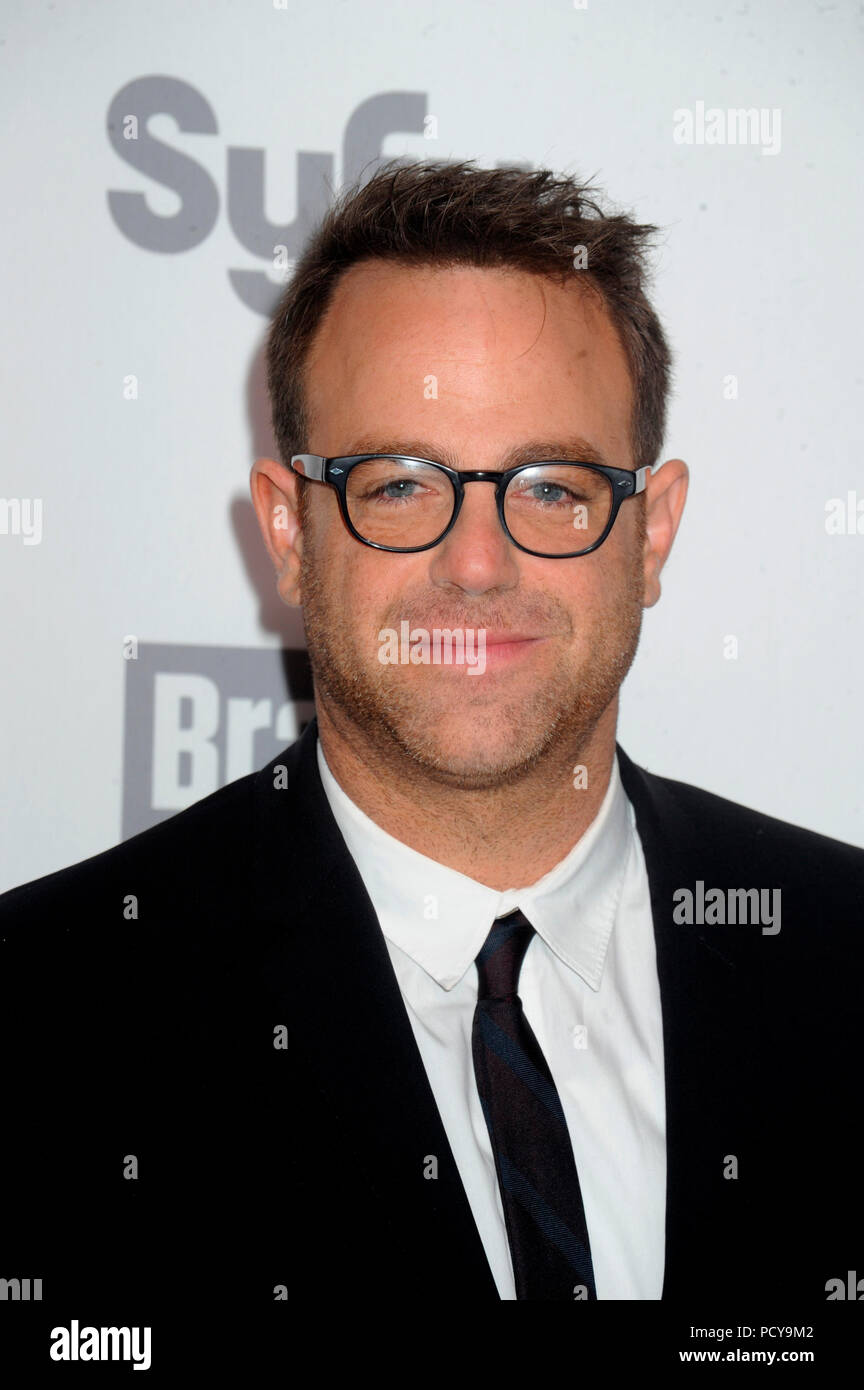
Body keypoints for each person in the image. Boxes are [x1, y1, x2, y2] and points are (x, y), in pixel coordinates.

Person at [0, 162, 860, 1329]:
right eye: (399, 485)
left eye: (552, 486)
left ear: (650, 533)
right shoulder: (43, 1015)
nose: (476, 563)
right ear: (289, 531)